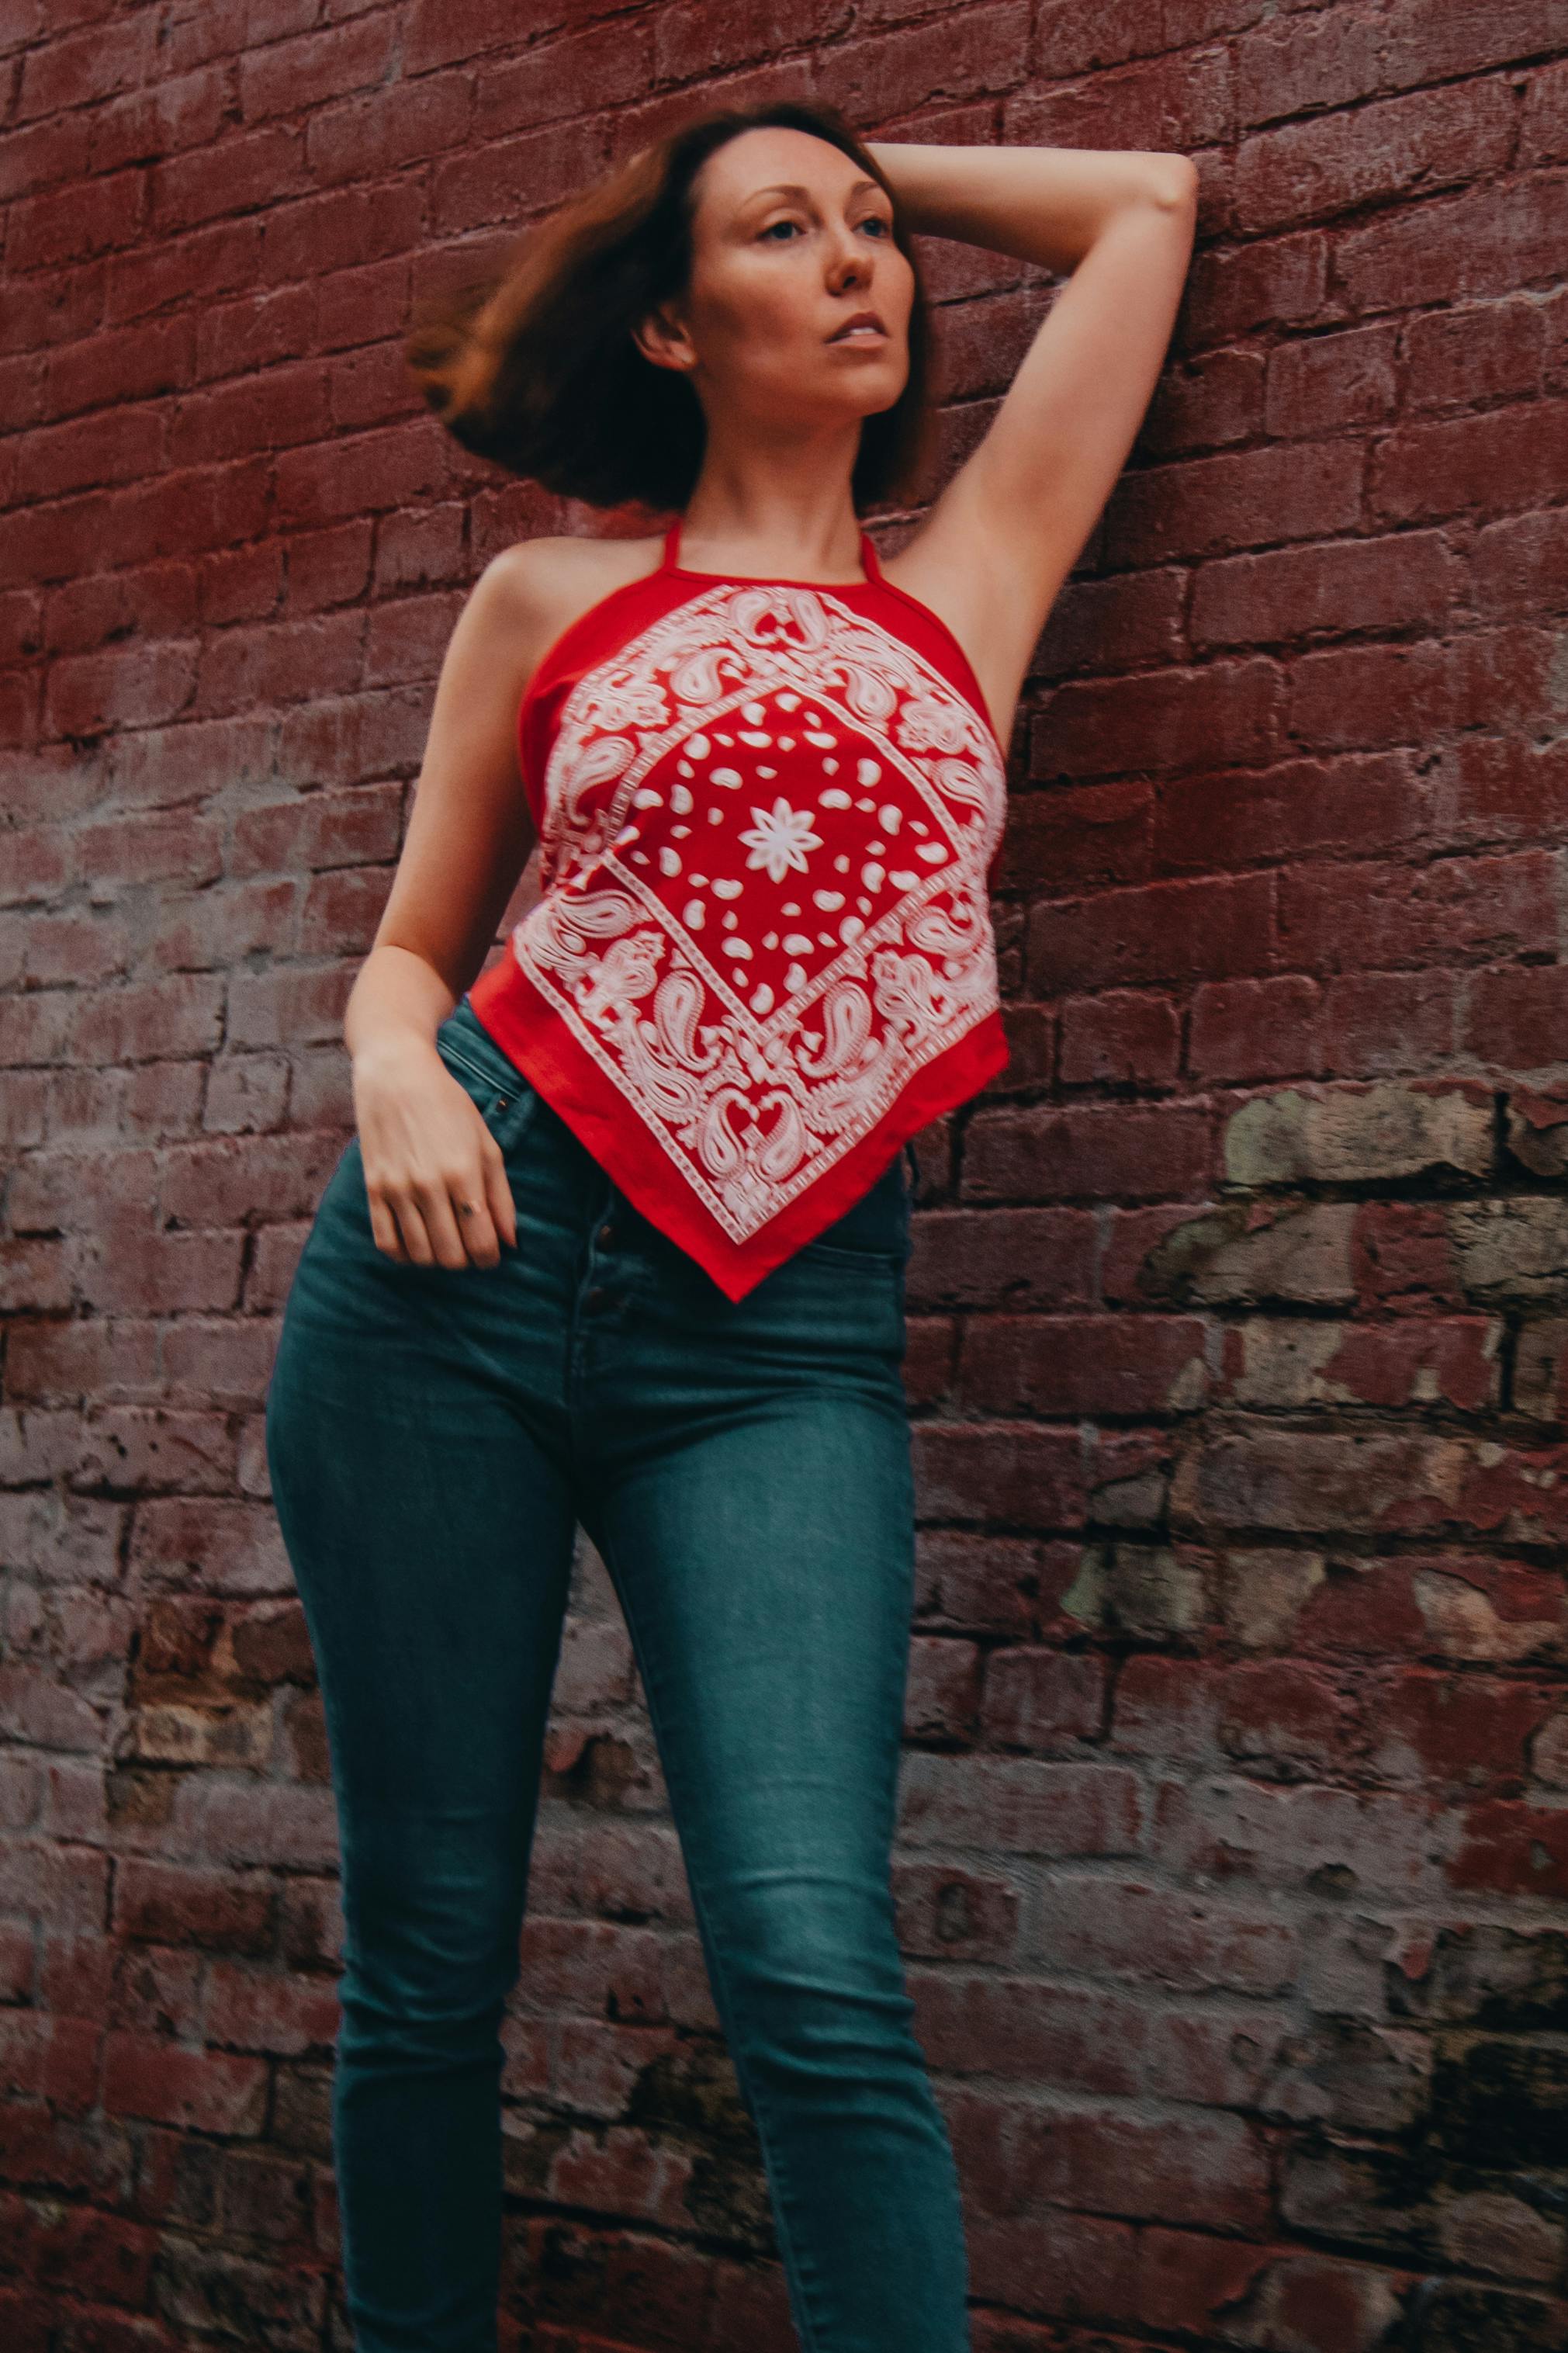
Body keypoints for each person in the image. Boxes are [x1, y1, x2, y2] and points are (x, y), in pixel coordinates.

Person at [265, 94, 1196, 2353]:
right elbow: (414, 944)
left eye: (880, 239)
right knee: (433, 1964)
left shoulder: (969, 586)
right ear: (675, 324)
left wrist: (854, 159)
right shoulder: (554, 594)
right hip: (449, 1289)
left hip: (775, 1342)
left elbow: (1145, 207)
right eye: (790, 240)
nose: (865, 264)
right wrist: (395, 1068)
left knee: (810, 1957)